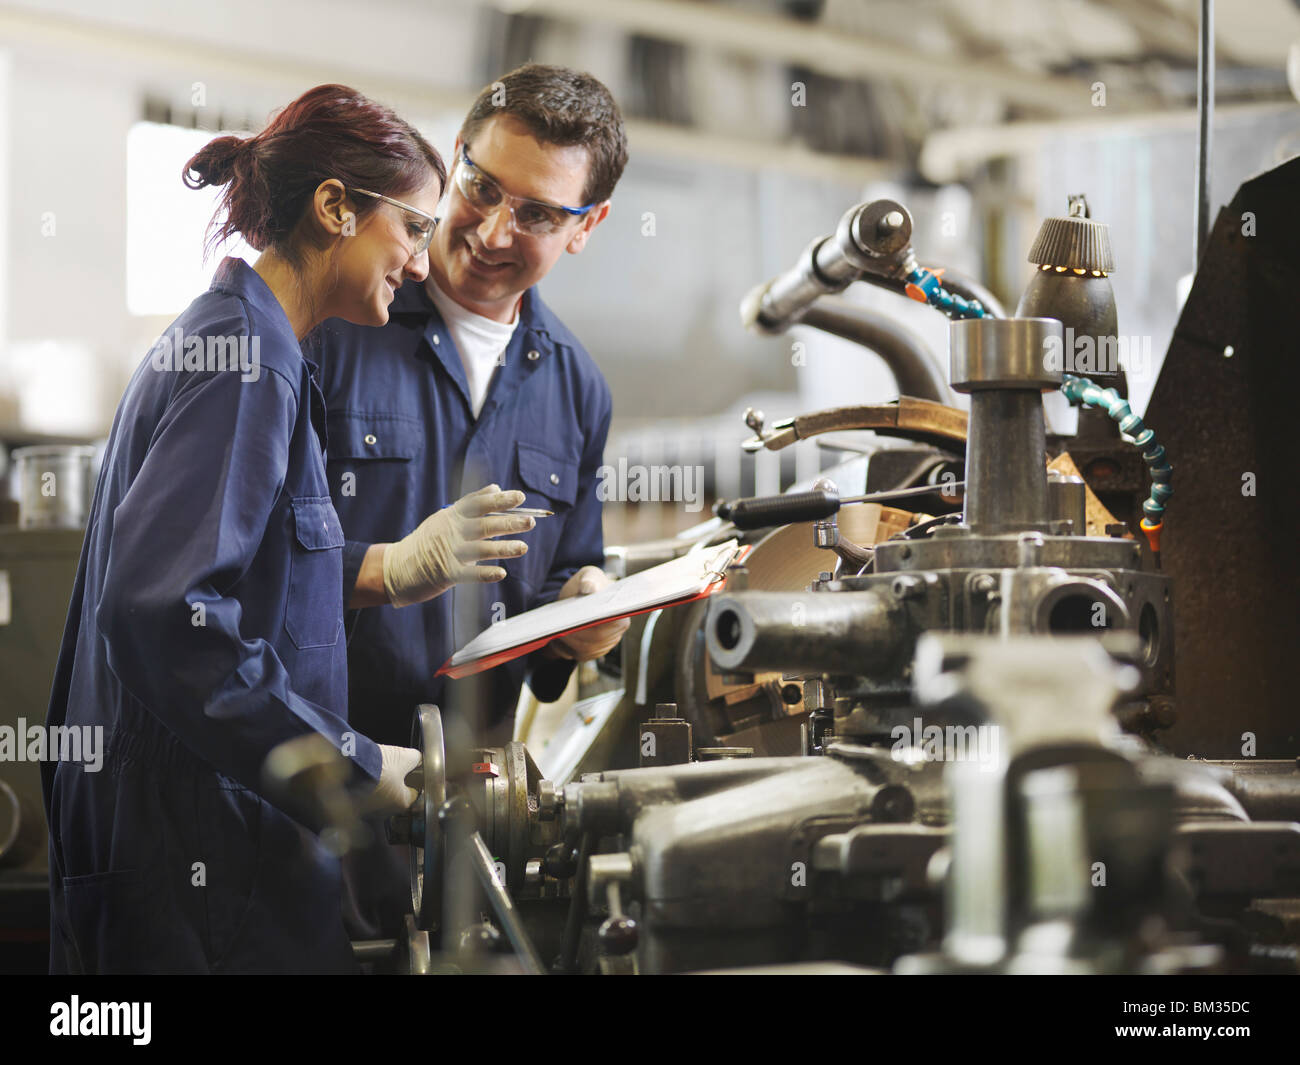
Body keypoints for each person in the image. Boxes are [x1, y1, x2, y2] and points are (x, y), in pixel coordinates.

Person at [41, 84, 531, 974]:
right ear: (335, 207)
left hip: (198, 861)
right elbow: (161, 612)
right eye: (414, 228)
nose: (422, 264)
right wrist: (349, 764)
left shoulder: (246, 345)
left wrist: (381, 568)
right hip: (203, 878)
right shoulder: (248, 361)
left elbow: (238, 570)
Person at [311, 63, 630, 939]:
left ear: (589, 225)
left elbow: (567, 585)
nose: (493, 229)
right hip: (312, 796)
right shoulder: (339, 322)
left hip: (473, 819)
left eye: (536, 213)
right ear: (453, 158)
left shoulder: (576, 390)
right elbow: (244, 563)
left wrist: (587, 612)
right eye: (480, 186)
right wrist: (387, 567)